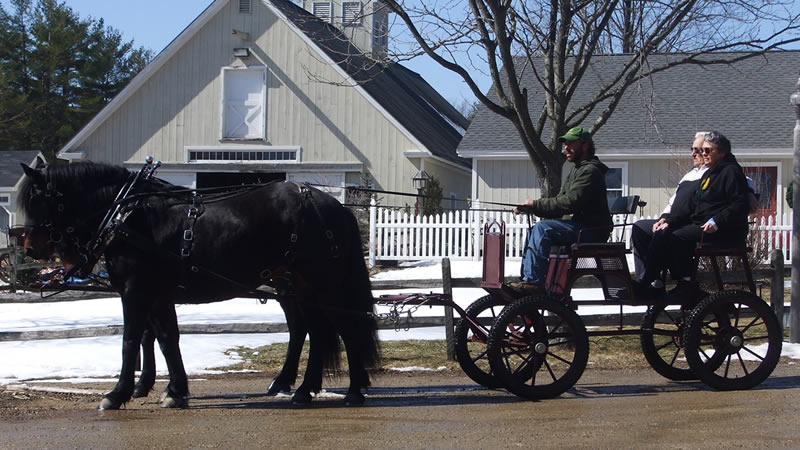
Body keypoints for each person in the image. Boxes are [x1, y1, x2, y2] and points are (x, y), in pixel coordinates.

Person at [634, 131, 750, 299]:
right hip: (702, 224)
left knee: (674, 236)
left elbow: (739, 203)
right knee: (669, 232)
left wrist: (716, 221)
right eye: (701, 150)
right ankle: (654, 280)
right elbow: (693, 204)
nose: (703, 154)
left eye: (707, 150)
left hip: (725, 231)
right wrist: (670, 220)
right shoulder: (712, 172)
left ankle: (677, 282)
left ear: (722, 152)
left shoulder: (730, 171)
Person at [511, 126, 612, 293]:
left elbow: (568, 203)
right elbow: (560, 204)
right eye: (565, 144)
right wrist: (530, 208)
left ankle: (533, 283)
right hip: (580, 226)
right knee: (534, 231)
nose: (566, 148)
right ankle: (527, 281)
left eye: (571, 143)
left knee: (543, 229)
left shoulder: (591, 172)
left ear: (585, 145)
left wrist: (535, 205)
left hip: (591, 230)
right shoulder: (578, 170)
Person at [631, 132, 708, 288]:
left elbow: (743, 181)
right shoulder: (689, 175)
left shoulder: (713, 174)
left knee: (665, 234)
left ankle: (649, 279)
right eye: (691, 149)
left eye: (698, 150)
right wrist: (663, 218)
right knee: (639, 227)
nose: (693, 154)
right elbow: (673, 202)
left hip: (688, 223)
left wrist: (670, 222)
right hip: (672, 219)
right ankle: (651, 279)